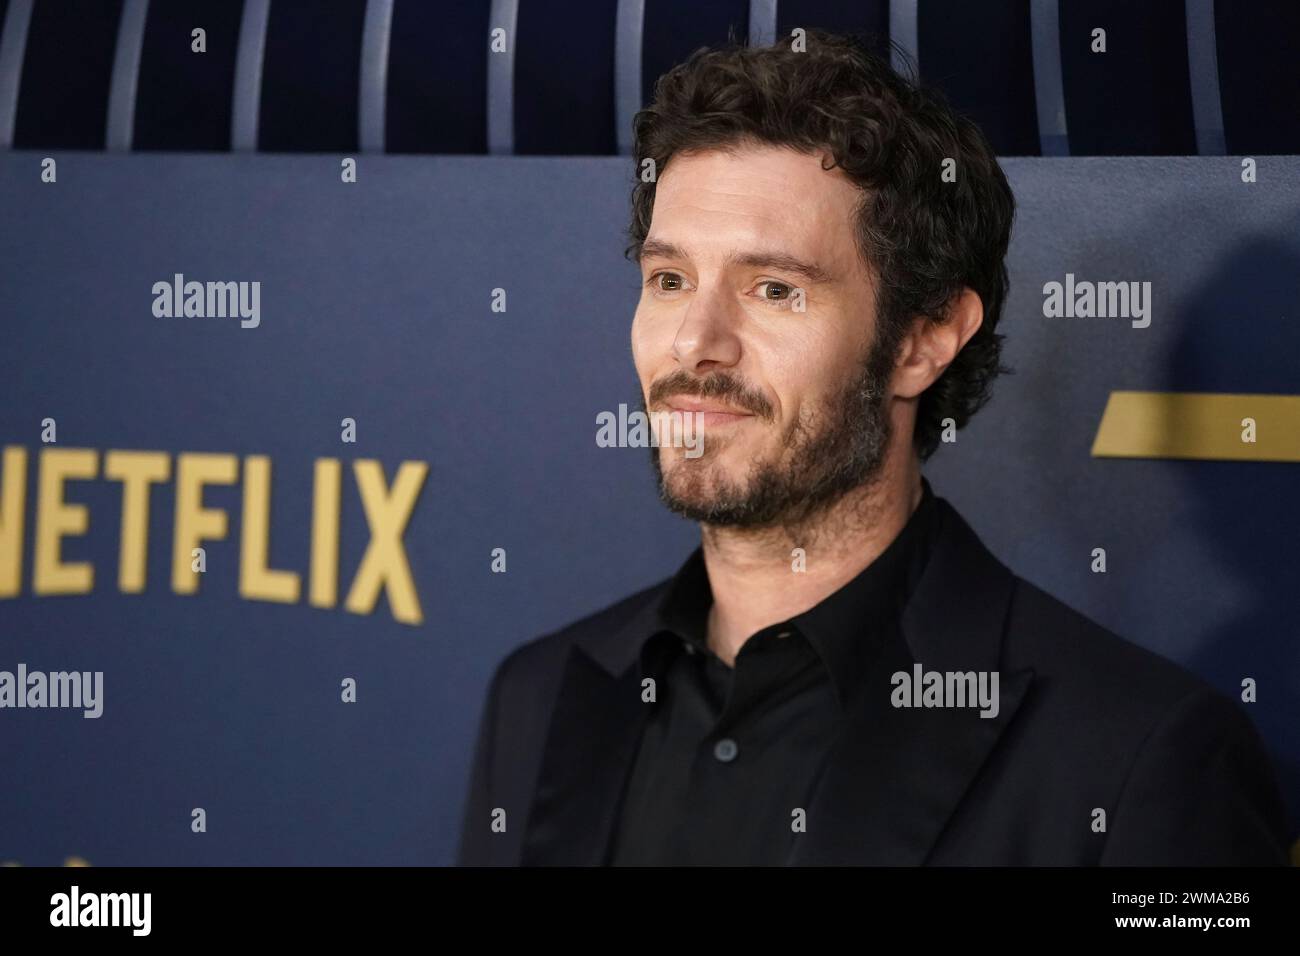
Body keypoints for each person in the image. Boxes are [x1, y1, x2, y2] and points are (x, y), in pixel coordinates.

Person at [456, 30, 1289, 866]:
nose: (693, 345)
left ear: (923, 341)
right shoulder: (541, 696)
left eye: (773, 290)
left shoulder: (1141, 757)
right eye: (669, 280)